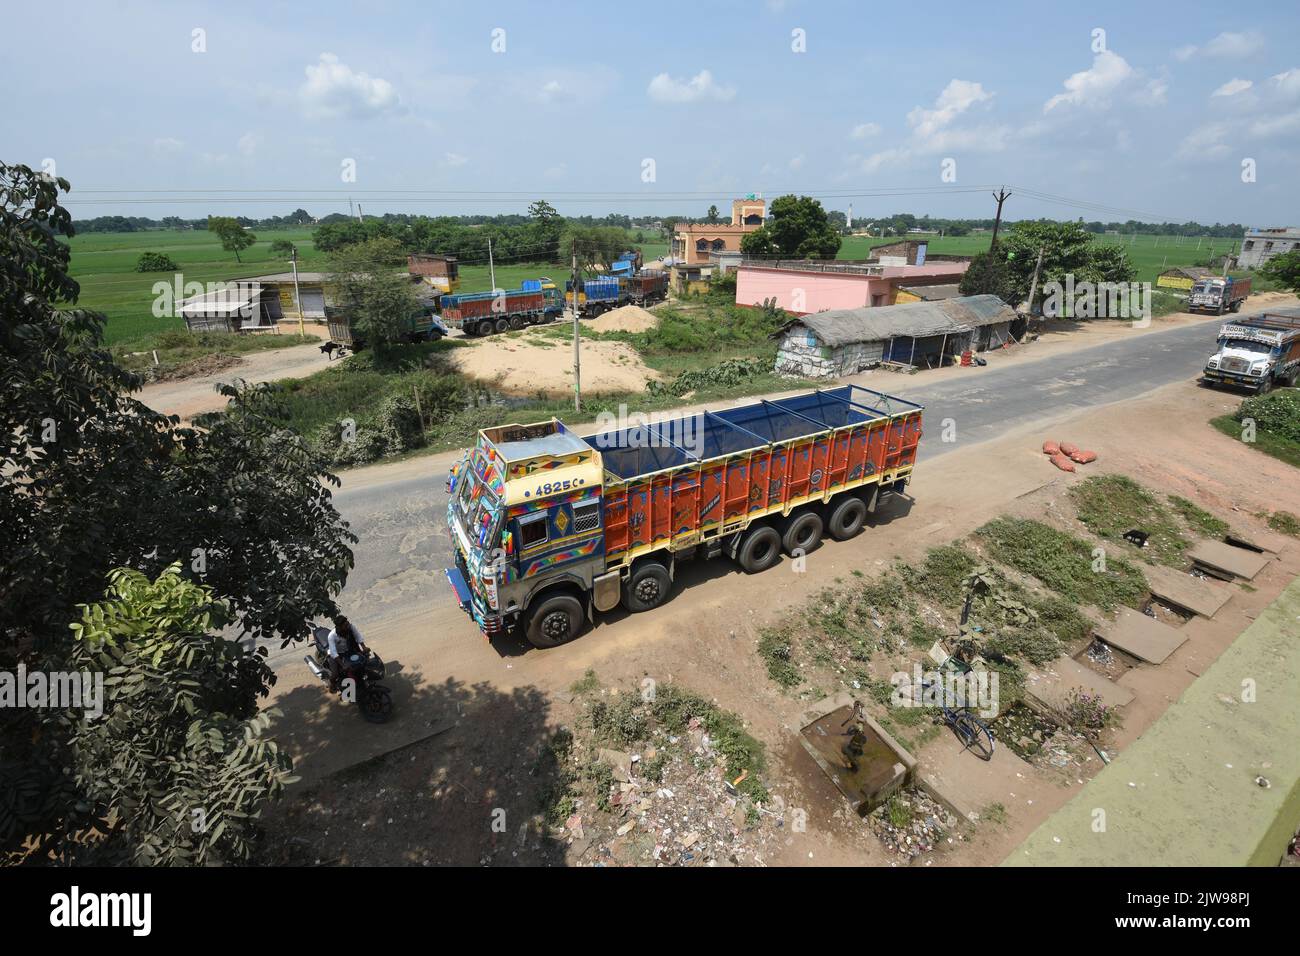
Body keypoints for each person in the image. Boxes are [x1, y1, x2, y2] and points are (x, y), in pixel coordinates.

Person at [326, 616, 368, 691]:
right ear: (339, 627)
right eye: (345, 625)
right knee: (335, 673)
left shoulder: (350, 627)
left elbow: (358, 636)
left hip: (348, 651)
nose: (347, 626)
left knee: (361, 661)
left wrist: (364, 647)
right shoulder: (332, 636)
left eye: (347, 623)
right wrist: (343, 665)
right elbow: (334, 653)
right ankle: (332, 684)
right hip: (336, 655)